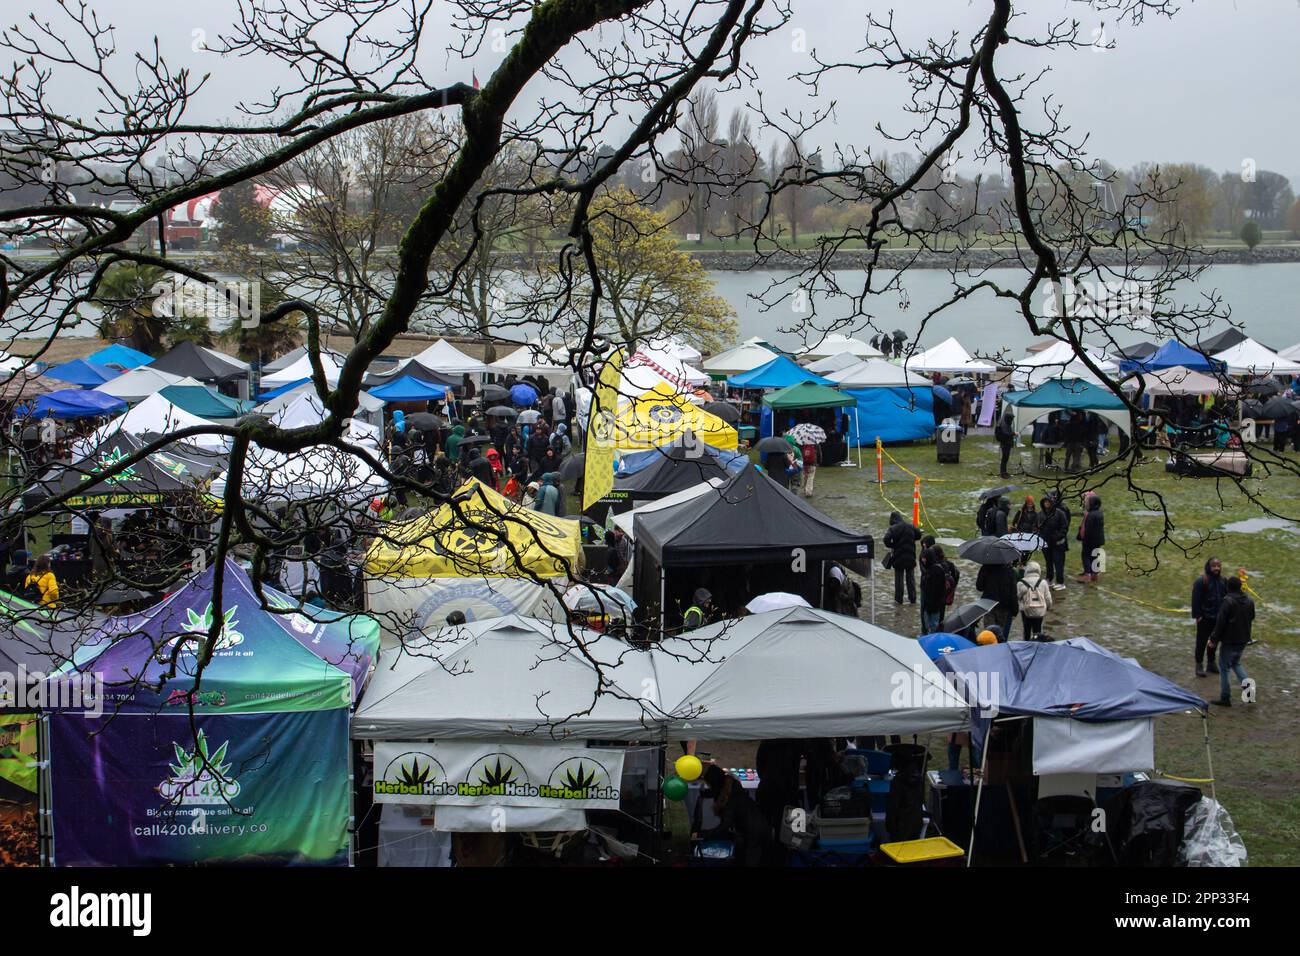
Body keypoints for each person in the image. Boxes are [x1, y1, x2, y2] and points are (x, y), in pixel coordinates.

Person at [697, 764, 777, 867]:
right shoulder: (732, 786)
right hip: (760, 827)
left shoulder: (731, 800)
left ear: (714, 783)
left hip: (755, 834)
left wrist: (705, 834)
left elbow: (725, 826)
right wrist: (706, 794)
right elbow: (718, 792)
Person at [1209, 575, 1254, 707]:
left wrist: (1213, 639)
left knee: (1224, 668)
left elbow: (1220, 623)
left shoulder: (1227, 601)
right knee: (1236, 663)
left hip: (1230, 641)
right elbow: (1252, 617)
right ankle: (1249, 694)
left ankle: (1225, 697)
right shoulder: (1250, 601)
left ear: (1228, 587)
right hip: (1243, 639)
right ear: (1240, 586)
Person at [1191, 557, 1226, 677]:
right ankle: (1199, 665)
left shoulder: (1223, 581)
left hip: (1218, 618)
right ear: (1208, 566)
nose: (1216, 568)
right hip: (1204, 618)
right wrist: (1198, 615)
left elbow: (1226, 599)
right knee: (1201, 642)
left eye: (1218, 566)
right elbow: (1195, 600)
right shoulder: (1201, 581)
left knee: (1214, 641)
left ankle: (1211, 663)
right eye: (1214, 566)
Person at [883, 511, 922, 604]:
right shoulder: (911, 526)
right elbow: (919, 535)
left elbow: (886, 539)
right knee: (911, 579)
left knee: (899, 579)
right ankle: (913, 599)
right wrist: (912, 538)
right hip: (910, 557)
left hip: (898, 558)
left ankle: (898, 599)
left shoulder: (893, 528)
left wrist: (892, 545)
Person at [976, 559, 1017, 638]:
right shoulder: (1010, 571)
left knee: (989, 633)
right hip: (1003, 607)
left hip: (988, 605)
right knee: (1000, 634)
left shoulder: (985, 568)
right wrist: (1015, 610)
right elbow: (1013, 593)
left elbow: (979, 587)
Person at [1039, 492, 1070, 591]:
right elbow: (1036, 526)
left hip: (1057, 543)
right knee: (1048, 562)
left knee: (1058, 562)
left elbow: (1064, 527)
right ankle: (1049, 579)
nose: (1046, 503)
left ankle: (1060, 582)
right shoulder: (1040, 514)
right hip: (1045, 543)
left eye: (1048, 502)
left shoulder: (1060, 513)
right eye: (1045, 502)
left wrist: (1057, 537)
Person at [1016, 559, 1052, 641]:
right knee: (1038, 630)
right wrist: (1047, 607)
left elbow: (1017, 597)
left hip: (1026, 611)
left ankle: (1026, 643)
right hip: (1040, 610)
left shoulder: (1021, 583)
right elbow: (1048, 598)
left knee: (1026, 629)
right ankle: (1037, 643)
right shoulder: (1043, 582)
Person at [919, 544, 949, 634]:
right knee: (927, 625)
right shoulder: (928, 569)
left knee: (933, 626)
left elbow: (937, 590)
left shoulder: (936, 570)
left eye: (924, 558)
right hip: (928, 606)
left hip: (934, 605)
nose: (923, 560)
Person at [1077, 492, 1104, 582]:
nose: (1086, 504)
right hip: (1097, 540)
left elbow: (1087, 529)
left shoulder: (1091, 515)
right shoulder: (1099, 513)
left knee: (1086, 556)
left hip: (1089, 540)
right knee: (1095, 556)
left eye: (1088, 503)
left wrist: (1084, 538)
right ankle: (1094, 575)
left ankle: (1087, 574)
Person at [994, 408, 1016, 479]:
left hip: (1006, 444)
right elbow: (1006, 434)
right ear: (1009, 418)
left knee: (1005, 459)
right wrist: (1013, 433)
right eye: (1012, 418)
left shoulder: (1005, 423)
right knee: (1004, 459)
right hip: (1005, 444)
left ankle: (1004, 472)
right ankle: (1003, 473)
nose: (1012, 420)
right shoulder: (1005, 425)